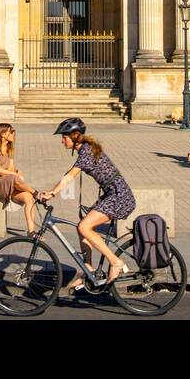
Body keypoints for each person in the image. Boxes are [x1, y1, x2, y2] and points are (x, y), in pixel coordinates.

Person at [39, 119, 135, 289]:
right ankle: (88, 271)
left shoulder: (87, 152)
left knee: (84, 227)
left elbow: (70, 176)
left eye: (64, 137)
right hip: (111, 195)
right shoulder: (85, 150)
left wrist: (52, 193)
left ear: (74, 137)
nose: (62, 141)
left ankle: (115, 262)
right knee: (81, 228)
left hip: (119, 197)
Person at [0, 124, 37, 235]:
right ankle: (35, 192)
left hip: (8, 181)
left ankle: (32, 232)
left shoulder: (9, 147)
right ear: (3, 134)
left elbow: (11, 168)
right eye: (11, 131)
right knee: (15, 179)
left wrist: (16, 172)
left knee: (28, 198)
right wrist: (14, 175)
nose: (14, 134)